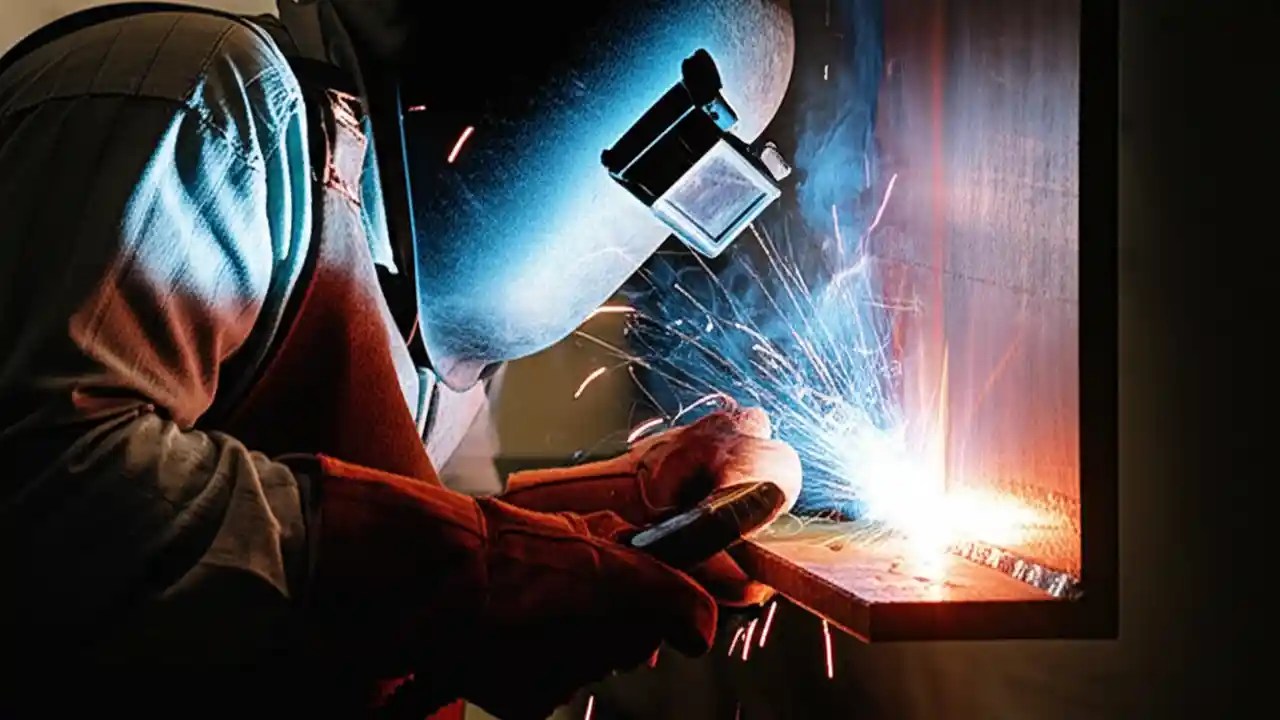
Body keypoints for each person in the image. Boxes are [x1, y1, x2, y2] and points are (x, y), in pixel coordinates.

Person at [0, 0, 800, 717]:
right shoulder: (212, 105)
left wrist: (621, 513)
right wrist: (482, 571)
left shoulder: (428, 299)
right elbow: (53, 490)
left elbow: (389, 511)